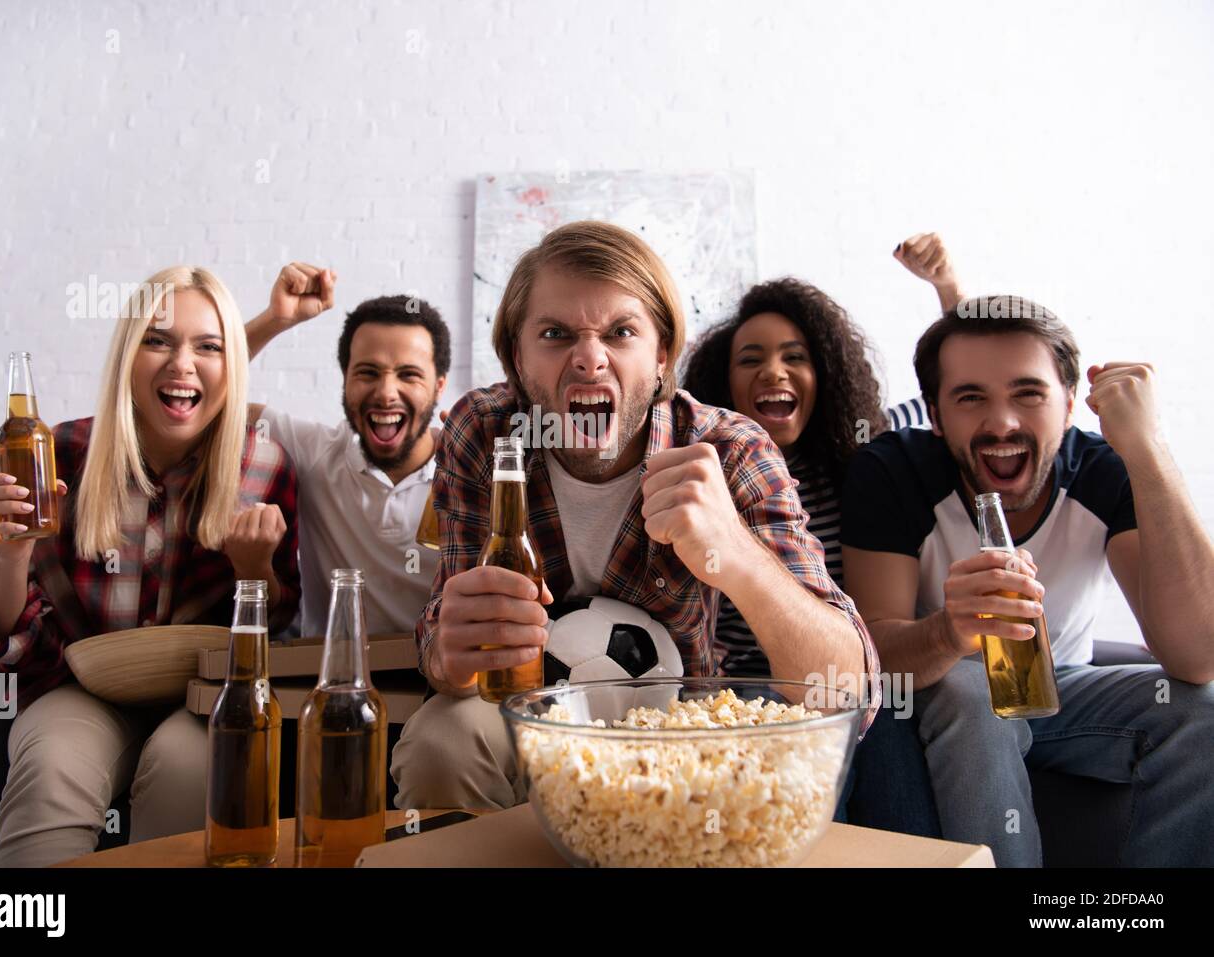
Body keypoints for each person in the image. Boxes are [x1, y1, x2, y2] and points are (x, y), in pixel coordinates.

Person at [391, 220, 878, 810]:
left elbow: (850, 689)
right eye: (554, 333)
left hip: (670, 727)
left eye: (620, 332)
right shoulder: (484, 431)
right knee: (443, 738)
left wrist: (739, 554)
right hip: (521, 715)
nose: (589, 360)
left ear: (661, 355)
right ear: (517, 359)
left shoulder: (730, 449)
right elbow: (449, 659)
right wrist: (447, 651)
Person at [841, 294, 1214, 866]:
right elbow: (868, 659)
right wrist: (947, 632)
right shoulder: (893, 471)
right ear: (936, 417)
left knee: (1205, 708)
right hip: (939, 698)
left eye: (1028, 393)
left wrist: (1149, 448)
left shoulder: (1107, 470)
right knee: (972, 689)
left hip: (1065, 693)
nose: (1002, 423)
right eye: (970, 398)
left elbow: (1198, 657)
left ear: (1069, 403)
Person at [0, 266, 300, 867]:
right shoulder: (58, 454)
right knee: (50, 769)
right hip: (81, 689)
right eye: (157, 340)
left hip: (202, 696)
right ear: (127, 356)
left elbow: (275, 630)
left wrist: (256, 573)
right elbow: (12, 646)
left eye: (208, 346)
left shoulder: (266, 466)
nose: (182, 364)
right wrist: (8, 561)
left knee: (190, 769)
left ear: (232, 366)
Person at [678, 232, 962, 836]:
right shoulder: (700, 472)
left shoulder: (863, 458)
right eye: (749, 359)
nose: (773, 371)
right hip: (744, 692)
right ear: (723, 384)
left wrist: (949, 291)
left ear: (825, 374)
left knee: (893, 791)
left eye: (794, 356)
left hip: (854, 680)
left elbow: (955, 399)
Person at [244, 263, 450, 635]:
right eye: (367, 373)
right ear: (345, 381)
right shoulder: (316, 453)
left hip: (439, 677)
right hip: (330, 676)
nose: (386, 392)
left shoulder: (472, 469)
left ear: (438, 386)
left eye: (408, 374)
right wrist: (275, 320)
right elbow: (208, 397)